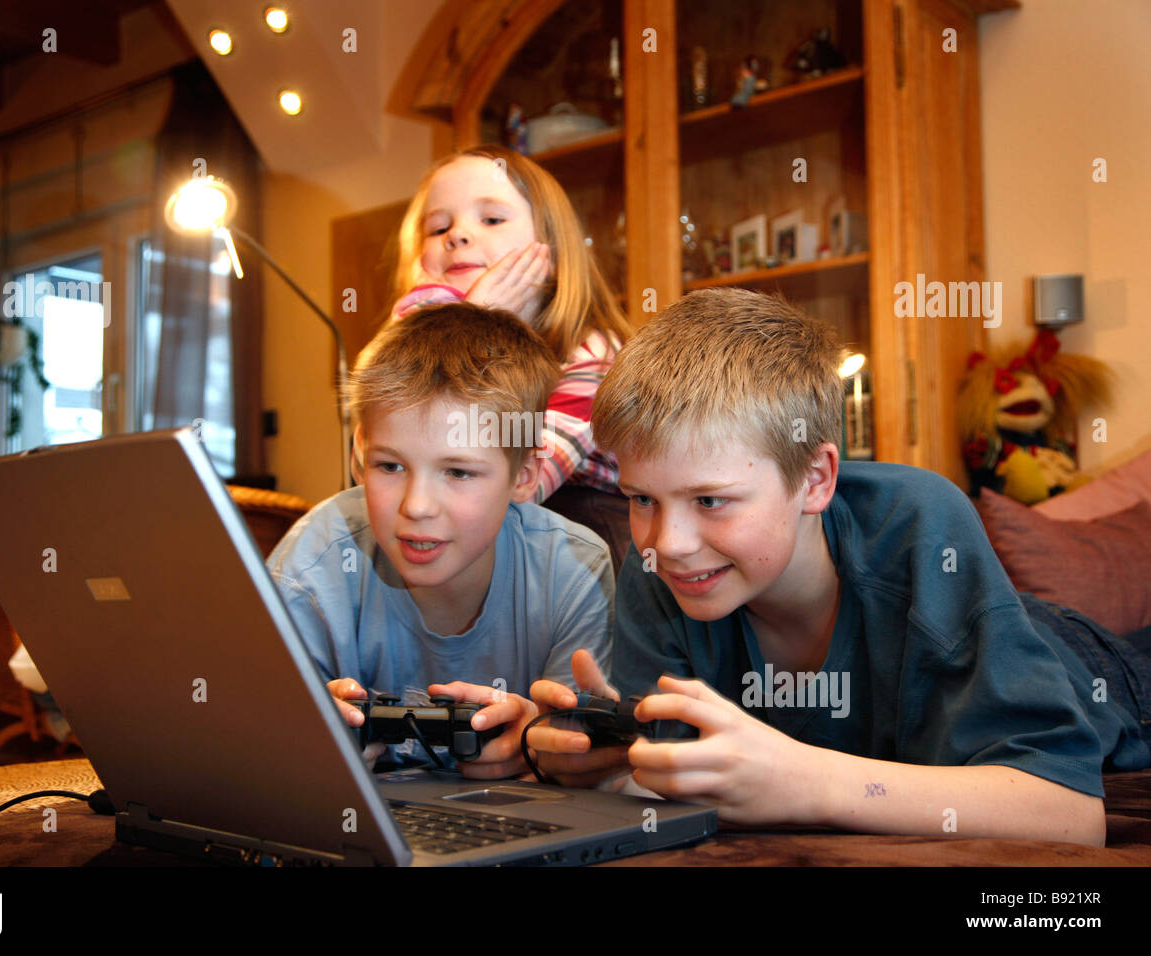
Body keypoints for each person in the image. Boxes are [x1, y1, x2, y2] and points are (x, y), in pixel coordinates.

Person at [528, 287, 1151, 845]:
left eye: (710, 500)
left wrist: (809, 780)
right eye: (642, 499)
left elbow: (1072, 814)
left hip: (1084, 659)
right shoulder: (658, 565)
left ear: (816, 478)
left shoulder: (920, 520)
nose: (670, 540)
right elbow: (678, 777)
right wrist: (604, 759)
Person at [267, 302, 614, 779]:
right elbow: (248, 743)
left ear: (525, 475)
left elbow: (584, 759)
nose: (417, 506)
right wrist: (295, 740)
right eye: (390, 466)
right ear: (359, 453)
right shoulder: (311, 566)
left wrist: (543, 752)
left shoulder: (573, 572)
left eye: (457, 471)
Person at [369, 145, 636, 570]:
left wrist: (474, 323)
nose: (456, 235)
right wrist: (456, 324)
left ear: (551, 248)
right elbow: (367, 458)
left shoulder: (592, 357)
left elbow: (520, 486)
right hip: (475, 532)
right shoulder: (415, 324)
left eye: (491, 219)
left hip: (594, 543)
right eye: (438, 228)